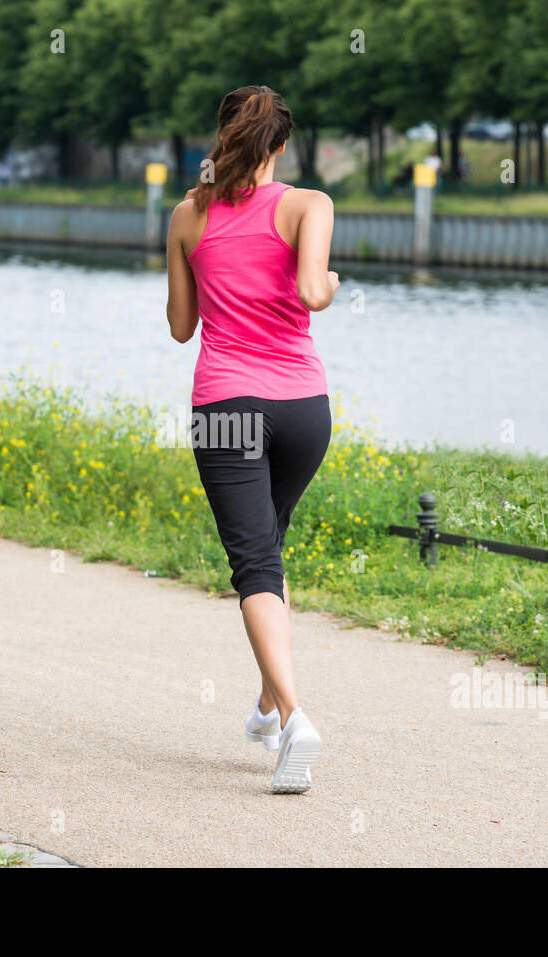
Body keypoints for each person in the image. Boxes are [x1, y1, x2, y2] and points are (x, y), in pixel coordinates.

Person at [165, 85, 339, 794]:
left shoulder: (186, 215)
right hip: (302, 408)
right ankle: (269, 708)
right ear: (281, 145)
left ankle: (296, 717)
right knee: (266, 549)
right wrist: (326, 277)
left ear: (223, 136)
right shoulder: (310, 205)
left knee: (254, 563)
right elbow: (311, 293)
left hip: (228, 404)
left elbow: (181, 327)